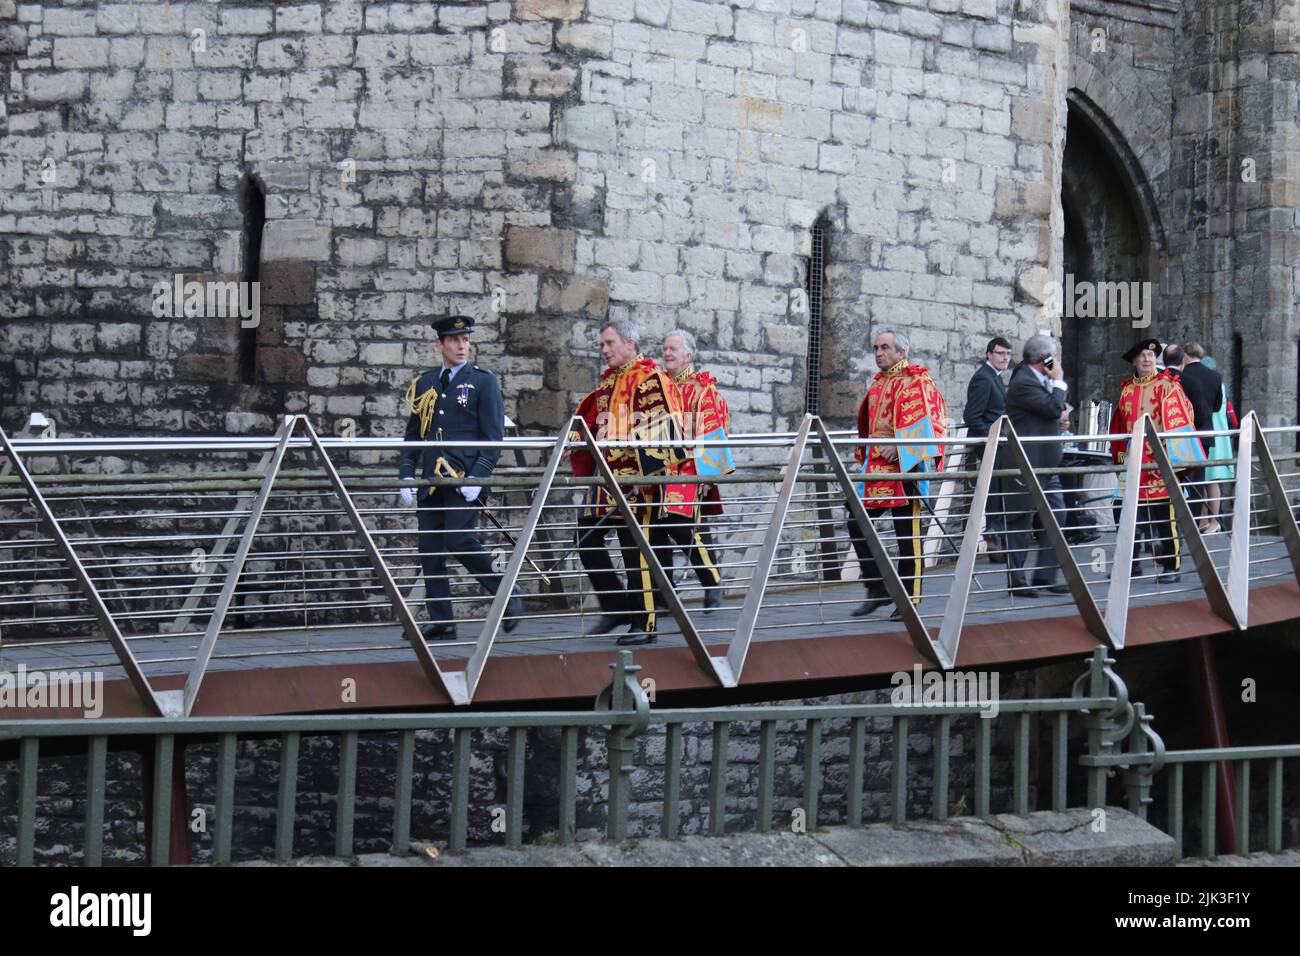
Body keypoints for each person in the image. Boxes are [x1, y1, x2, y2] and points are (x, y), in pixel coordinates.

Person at [398, 315, 523, 640]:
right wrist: (407, 473)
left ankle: (507, 593)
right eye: (454, 340)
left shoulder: (482, 381)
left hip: (464, 478)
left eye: (465, 339)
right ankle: (443, 621)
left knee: (458, 540)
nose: (461, 345)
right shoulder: (425, 383)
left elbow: (493, 437)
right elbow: (413, 435)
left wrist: (478, 477)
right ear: (440, 344)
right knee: (429, 549)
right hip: (432, 482)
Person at [570, 319, 688, 645]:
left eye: (609, 343)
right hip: (607, 480)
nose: (604, 350)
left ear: (629, 343)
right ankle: (617, 607)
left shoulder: (653, 379)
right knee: (586, 537)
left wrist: (642, 476)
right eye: (602, 345)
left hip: (638, 481)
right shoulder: (607, 385)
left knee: (634, 549)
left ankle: (644, 624)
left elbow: (670, 430)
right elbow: (592, 426)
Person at [848, 330, 948, 620]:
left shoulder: (918, 380)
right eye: (876, 348)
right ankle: (877, 587)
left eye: (885, 347)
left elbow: (932, 419)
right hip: (876, 469)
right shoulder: (879, 382)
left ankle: (909, 600)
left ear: (901, 352)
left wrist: (903, 445)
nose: (878, 352)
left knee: (908, 535)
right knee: (856, 521)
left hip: (905, 470)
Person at [1109, 338, 1198, 583]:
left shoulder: (1168, 385)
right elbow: (1121, 429)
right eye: (1143, 356)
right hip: (1134, 462)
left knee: (1163, 516)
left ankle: (1172, 566)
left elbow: (1183, 415)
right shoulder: (1127, 389)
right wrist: (1121, 460)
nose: (1148, 359)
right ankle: (1131, 565)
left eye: (1151, 355)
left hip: (1160, 460)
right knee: (1123, 513)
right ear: (1134, 361)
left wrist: (1177, 459)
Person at [659, 329, 729, 611]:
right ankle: (666, 592)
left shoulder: (701, 390)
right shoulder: (660, 386)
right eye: (664, 348)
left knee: (680, 525)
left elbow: (713, 428)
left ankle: (711, 581)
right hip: (661, 470)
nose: (667, 353)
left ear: (688, 355)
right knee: (658, 530)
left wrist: (707, 475)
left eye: (673, 349)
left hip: (689, 469)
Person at [1000, 334, 1070, 596]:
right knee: (1021, 520)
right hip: (1025, 463)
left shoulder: (1040, 380)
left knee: (1057, 515)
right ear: (1045, 359)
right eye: (1055, 356)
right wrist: (1059, 381)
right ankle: (1016, 580)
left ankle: (1044, 574)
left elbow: (1050, 411)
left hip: (1046, 463)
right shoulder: (1024, 382)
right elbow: (1051, 408)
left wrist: (1060, 420)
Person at [964, 337, 1012, 560]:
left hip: (998, 443)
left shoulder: (994, 377)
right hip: (990, 444)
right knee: (995, 490)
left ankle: (996, 537)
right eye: (1001, 353)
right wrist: (989, 439)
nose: (1005, 358)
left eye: (1008, 354)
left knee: (998, 489)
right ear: (989, 354)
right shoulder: (984, 378)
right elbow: (972, 416)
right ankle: (994, 535)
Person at [1175, 342, 1223, 519]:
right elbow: (1217, 407)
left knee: (1181, 477)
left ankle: (1181, 517)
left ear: (1186, 356)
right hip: (1205, 434)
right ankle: (1196, 518)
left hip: (1184, 432)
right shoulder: (1215, 376)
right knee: (1198, 478)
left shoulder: (1181, 376)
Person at [1199, 354, 1235, 534]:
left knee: (1212, 480)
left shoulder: (1211, 386)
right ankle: (1205, 519)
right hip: (1218, 437)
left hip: (1214, 437)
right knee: (1208, 479)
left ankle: (1214, 520)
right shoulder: (1218, 384)